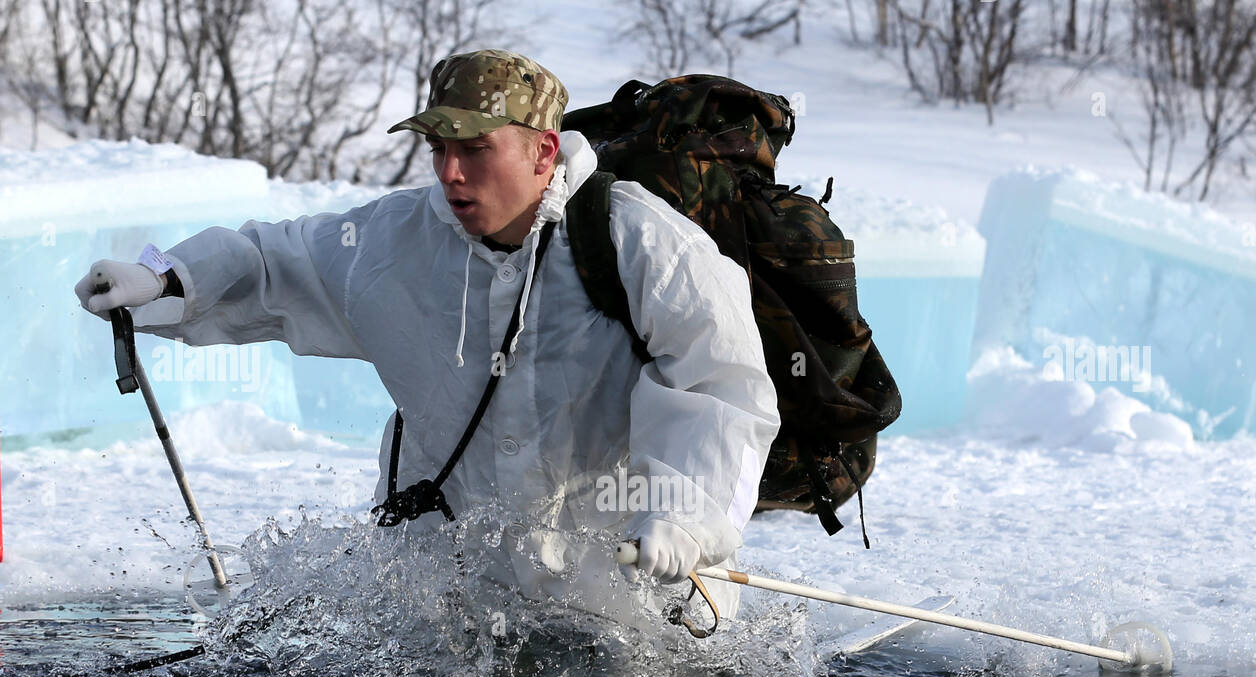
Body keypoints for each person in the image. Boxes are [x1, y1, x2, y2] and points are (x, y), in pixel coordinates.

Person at [75, 49, 779, 629]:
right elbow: (273, 263)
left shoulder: (643, 242)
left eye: (475, 149)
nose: (449, 172)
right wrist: (166, 280)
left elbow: (722, 387)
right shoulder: (394, 243)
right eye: (439, 148)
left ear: (542, 152)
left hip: (639, 602)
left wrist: (683, 516)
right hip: (463, 621)